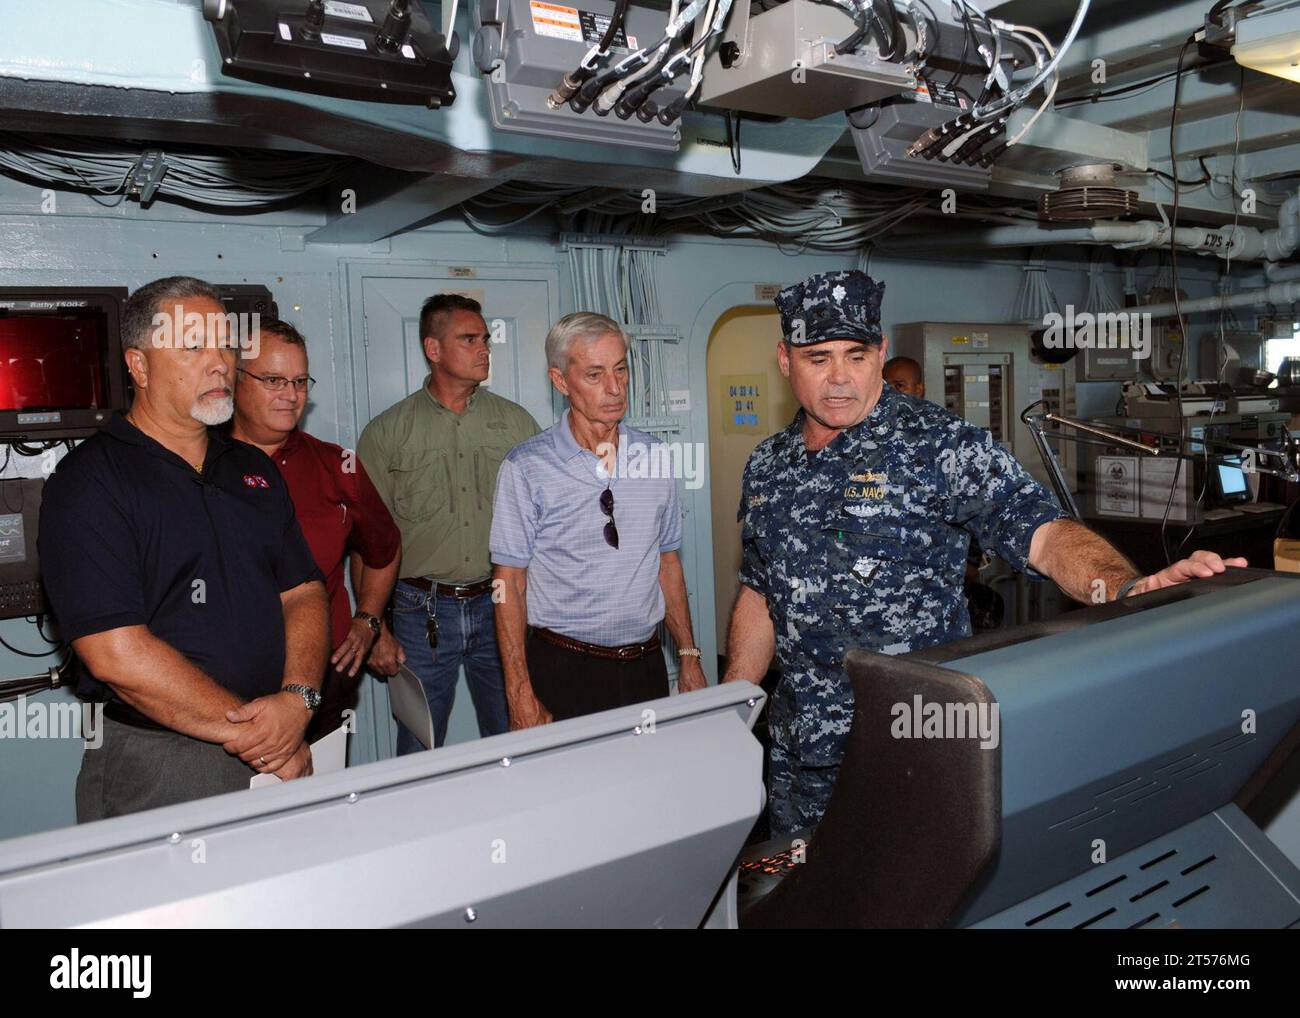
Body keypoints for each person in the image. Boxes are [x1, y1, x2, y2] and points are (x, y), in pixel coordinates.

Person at [722, 270, 1247, 835]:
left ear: (882, 353)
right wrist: (730, 711)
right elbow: (760, 590)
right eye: (818, 358)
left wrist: (1122, 588)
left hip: (915, 746)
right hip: (802, 759)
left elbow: (1042, 533)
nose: (840, 378)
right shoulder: (769, 466)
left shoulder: (941, 446)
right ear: (784, 360)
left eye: (856, 355)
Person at [39, 277, 330, 821]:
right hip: (163, 761)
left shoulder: (252, 468)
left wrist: (298, 700)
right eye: (193, 346)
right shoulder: (89, 483)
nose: (218, 362)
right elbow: (116, 653)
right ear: (140, 366)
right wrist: (262, 734)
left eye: (223, 344)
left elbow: (304, 591)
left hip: (281, 732)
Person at [490, 312, 708, 726]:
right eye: (594, 374)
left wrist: (689, 655)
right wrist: (518, 690)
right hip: (563, 670)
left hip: (645, 667)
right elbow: (508, 582)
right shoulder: (527, 467)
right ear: (560, 381)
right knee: (572, 788)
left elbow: (668, 564)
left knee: (649, 785)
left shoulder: (656, 458)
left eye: (620, 369)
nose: (614, 388)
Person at [357, 294, 540, 752]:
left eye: (485, 339)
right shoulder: (387, 433)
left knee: (515, 731)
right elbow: (366, 542)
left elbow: (547, 527)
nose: (485, 349)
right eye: (469, 339)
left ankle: (518, 820)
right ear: (433, 349)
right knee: (420, 743)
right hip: (421, 611)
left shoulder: (517, 425)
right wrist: (374, 626)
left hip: (501, 603)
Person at [231, 318, 403, 743]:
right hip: (228, 682)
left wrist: (368, 621)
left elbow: (383, 549)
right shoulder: (197, 467)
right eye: (273, 380)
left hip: (325, 678)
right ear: (233, 380)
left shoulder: (337, 466)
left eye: (300, 381)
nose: (290, 395)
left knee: (318, 798)